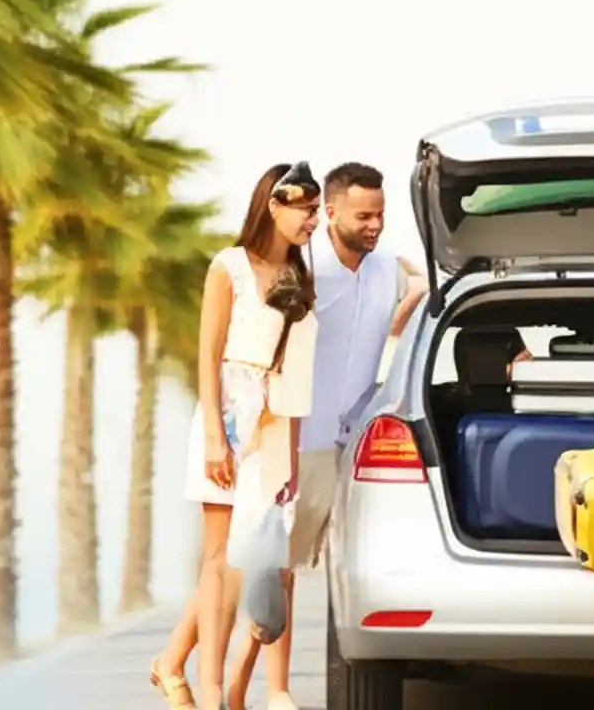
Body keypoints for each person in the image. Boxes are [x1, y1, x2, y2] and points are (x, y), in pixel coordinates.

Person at [218, 162, 428, 710]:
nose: (375, 225)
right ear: (329, 212)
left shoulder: (386, 267)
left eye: (381, 214)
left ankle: (268, 688)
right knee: (275, 576)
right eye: (364, 215)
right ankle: (251, 689)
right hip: (299, 440)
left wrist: (402, 317)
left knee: (349, 573)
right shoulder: (303, 267)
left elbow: (426, 283)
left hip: (356, 446)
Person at [150, 162, 321, 710]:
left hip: (276, 423)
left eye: (317, 211)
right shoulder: (229, 268)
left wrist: (289, 455)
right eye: (305, 209)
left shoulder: (299, 277)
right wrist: (214, 439)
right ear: (274, 204)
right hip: (228, 412)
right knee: (221, 559)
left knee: (266, 557)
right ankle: (213, 688)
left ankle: (241, 684)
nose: (312, 221)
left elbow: (293, 370)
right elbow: (208, 352)